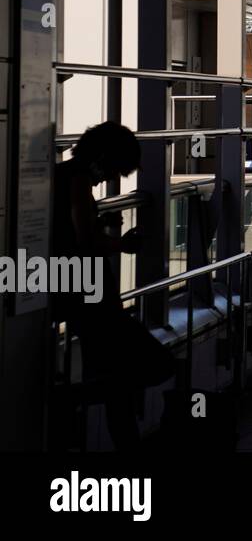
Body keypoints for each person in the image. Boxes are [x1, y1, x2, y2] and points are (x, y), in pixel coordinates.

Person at [53, 122, 175, 450]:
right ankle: (69, 398)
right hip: (89, 298)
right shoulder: (78, 180)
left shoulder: (61, 175)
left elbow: (69, 232)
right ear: (103, 158)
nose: (110, 178)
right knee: (155, 366)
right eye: (115, 170)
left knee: (115, 380)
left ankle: (82, 404)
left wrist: (102, 227)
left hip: (73, 293)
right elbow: (84, 239)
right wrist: (121, 244)